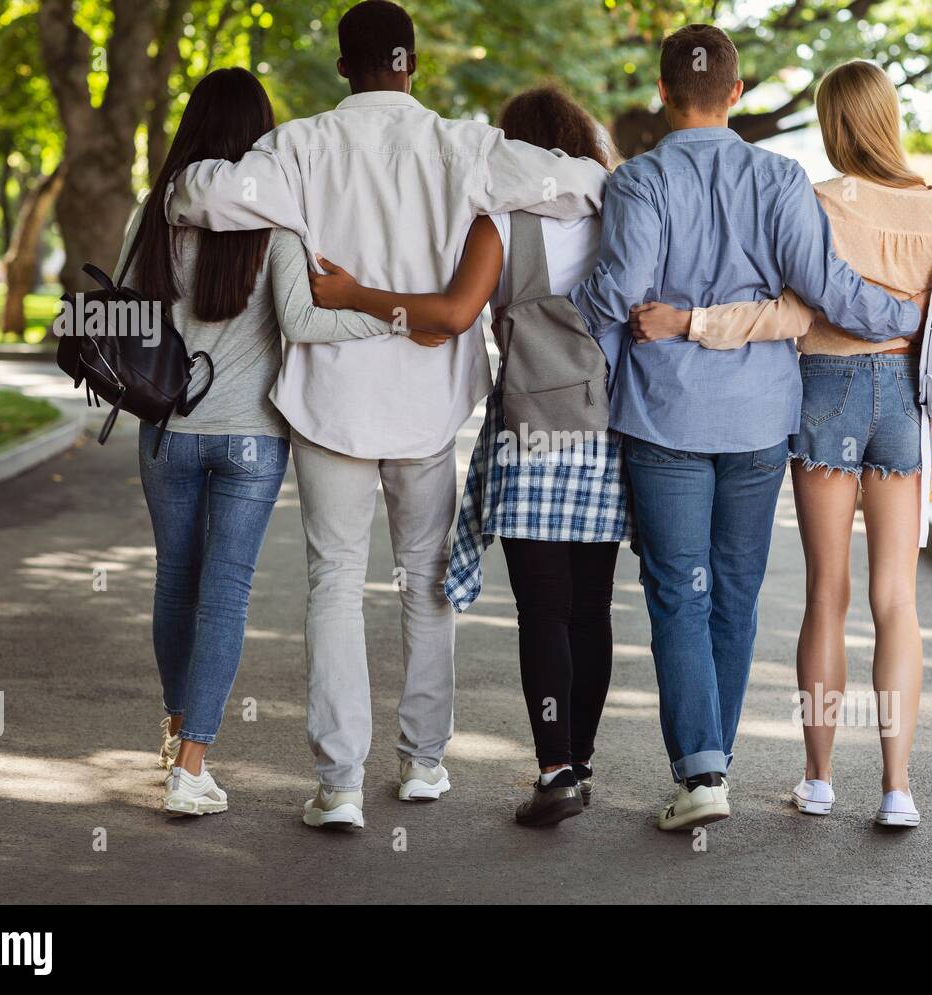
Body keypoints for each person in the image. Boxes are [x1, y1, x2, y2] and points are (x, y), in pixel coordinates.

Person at [163, 1, 608, 830]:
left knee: (333, 583)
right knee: (425, 581)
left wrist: (183, 189)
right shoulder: (464, 144)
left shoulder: (297, 146)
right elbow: (579, 182)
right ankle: (425, 763)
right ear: (412, 66)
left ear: (344, 68)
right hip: (426, 404)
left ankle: (337, 785)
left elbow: (201, 195)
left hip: (330, 398)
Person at [570, 26, 921, 832]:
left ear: (661, 92)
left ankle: (703, 770)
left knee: (678, 590)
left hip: (667, 418)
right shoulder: (781, 177)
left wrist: (577, 343)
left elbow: (615, 294)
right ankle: (710, 761)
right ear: (736, 94)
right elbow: (829, 288)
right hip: (763, 419)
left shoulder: (639, 182)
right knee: (733, 590)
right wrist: (911, 319)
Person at [632, 59, 932, 828]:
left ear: (830, 123)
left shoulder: (815, 202)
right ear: (889, 118)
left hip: (827, 394)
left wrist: (692, 324)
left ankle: (818, 778)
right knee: (896, 600)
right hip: (904, 403)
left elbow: (785, 314)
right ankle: (897, 787)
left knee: (827, 593)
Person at [310, 86, 629, 828]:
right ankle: (580, 760)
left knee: (542, 612)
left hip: (529, 432)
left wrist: (358, 294)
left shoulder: (502, 221)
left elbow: (453, 314)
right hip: (605, 428)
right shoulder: (617, 211)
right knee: (590, 609)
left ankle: (553, 769)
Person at [118, 68, 402, 816]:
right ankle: (192, 765)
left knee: (175, 580)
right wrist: (392, 316)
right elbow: (306, 324)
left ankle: (178, 742)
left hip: (165, 431)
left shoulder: (154, 212)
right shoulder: (275, 218)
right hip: (249, 437)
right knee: (225, 592)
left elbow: (121, 319)